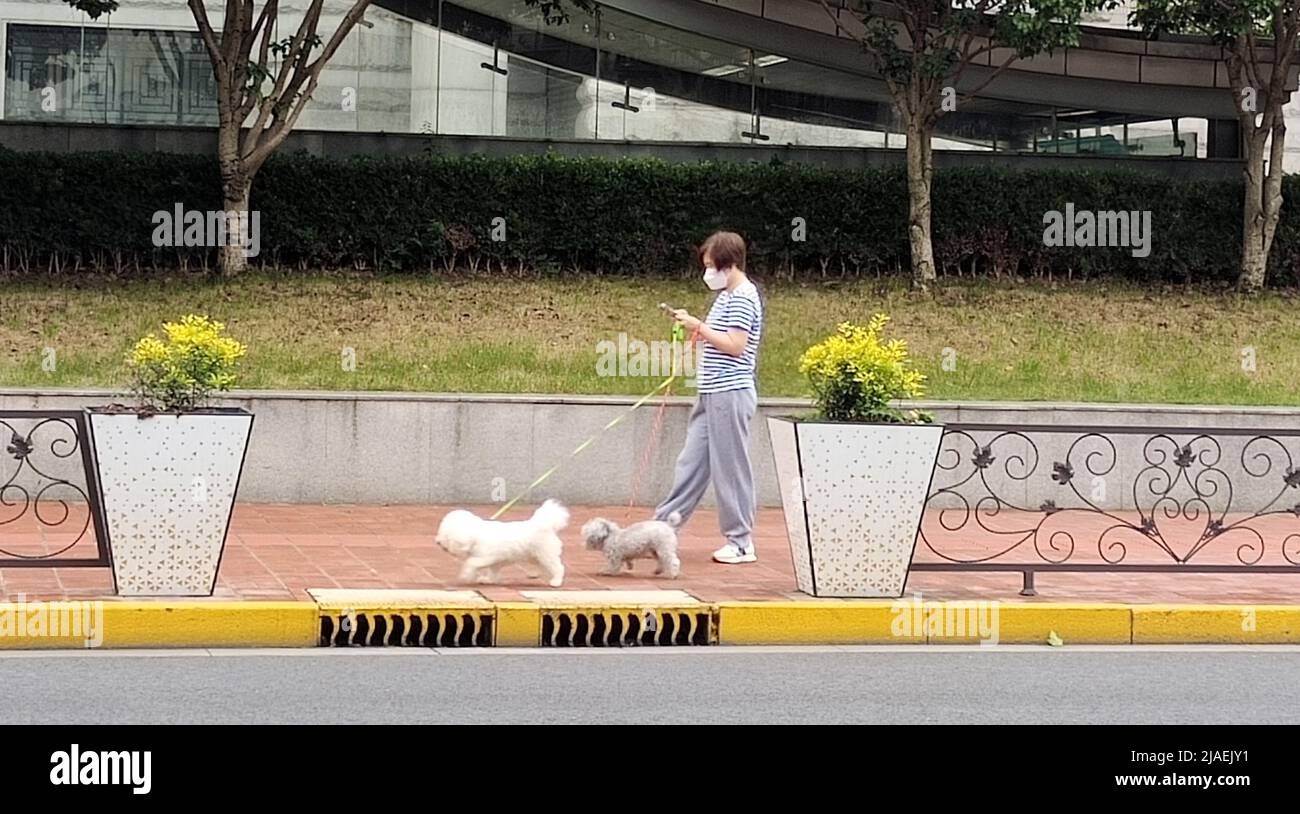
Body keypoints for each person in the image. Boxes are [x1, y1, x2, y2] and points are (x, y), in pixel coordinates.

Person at [655, 231, 764, 564]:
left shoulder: (744, 296)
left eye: (710, 266)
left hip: (730, 393)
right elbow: (717, 338)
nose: (707, 274)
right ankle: (662, 530)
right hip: (711, 392)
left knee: (730, 469)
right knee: (691, 464)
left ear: (728, 265)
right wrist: (695, 328)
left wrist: (698, 327)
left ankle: (741, 541)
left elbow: (735, 345)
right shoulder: (727, 296)